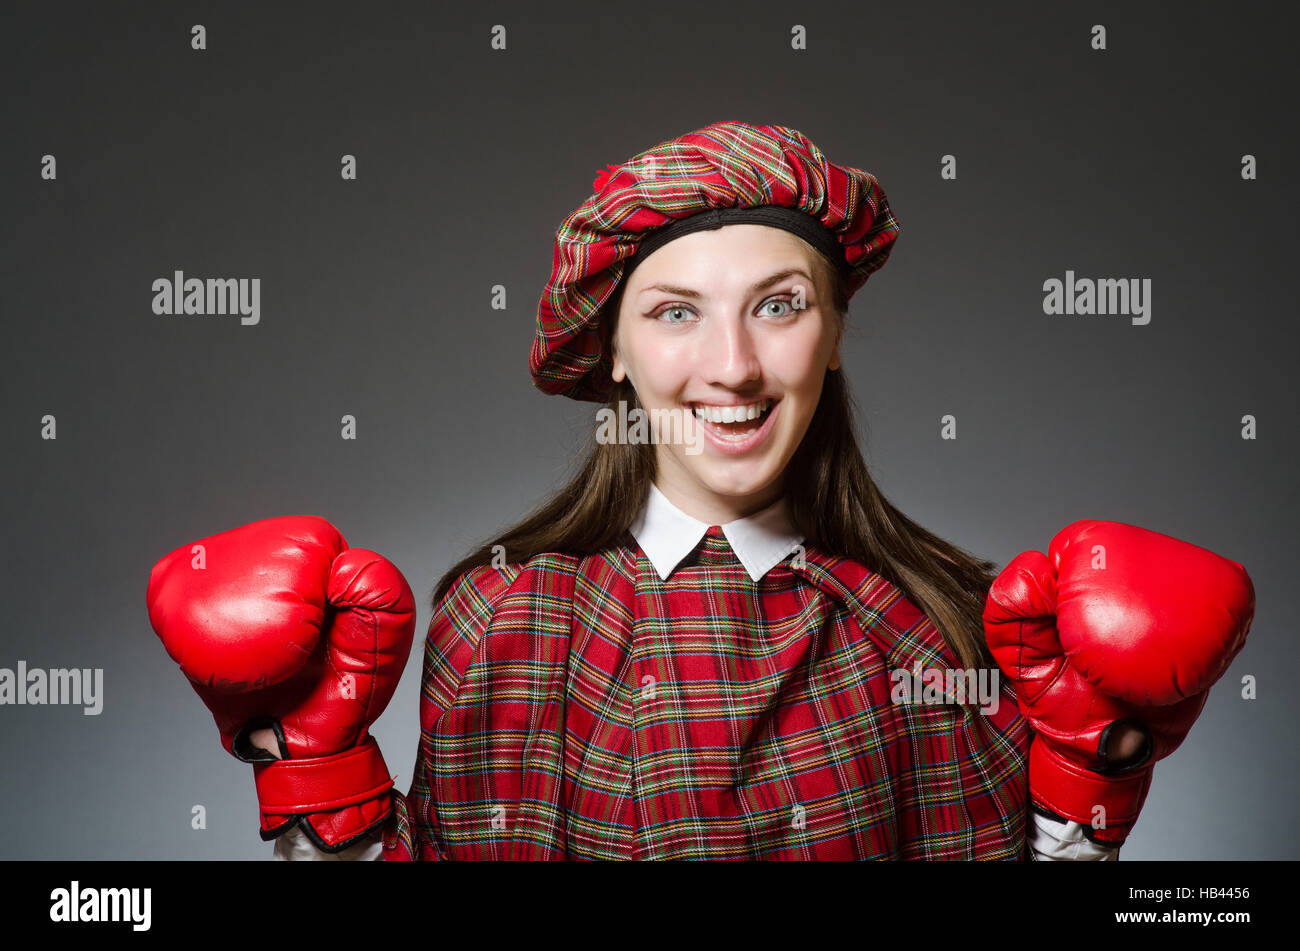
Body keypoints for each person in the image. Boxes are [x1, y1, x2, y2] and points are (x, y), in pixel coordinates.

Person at [147, 121, 1254, 861]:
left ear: (833, 335)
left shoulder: (940, 628)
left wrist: (1091, 778)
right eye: (676, 311)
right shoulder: (499, 619)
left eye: (778, 305)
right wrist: (310, 772)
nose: (731, 365)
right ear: (614, 351)